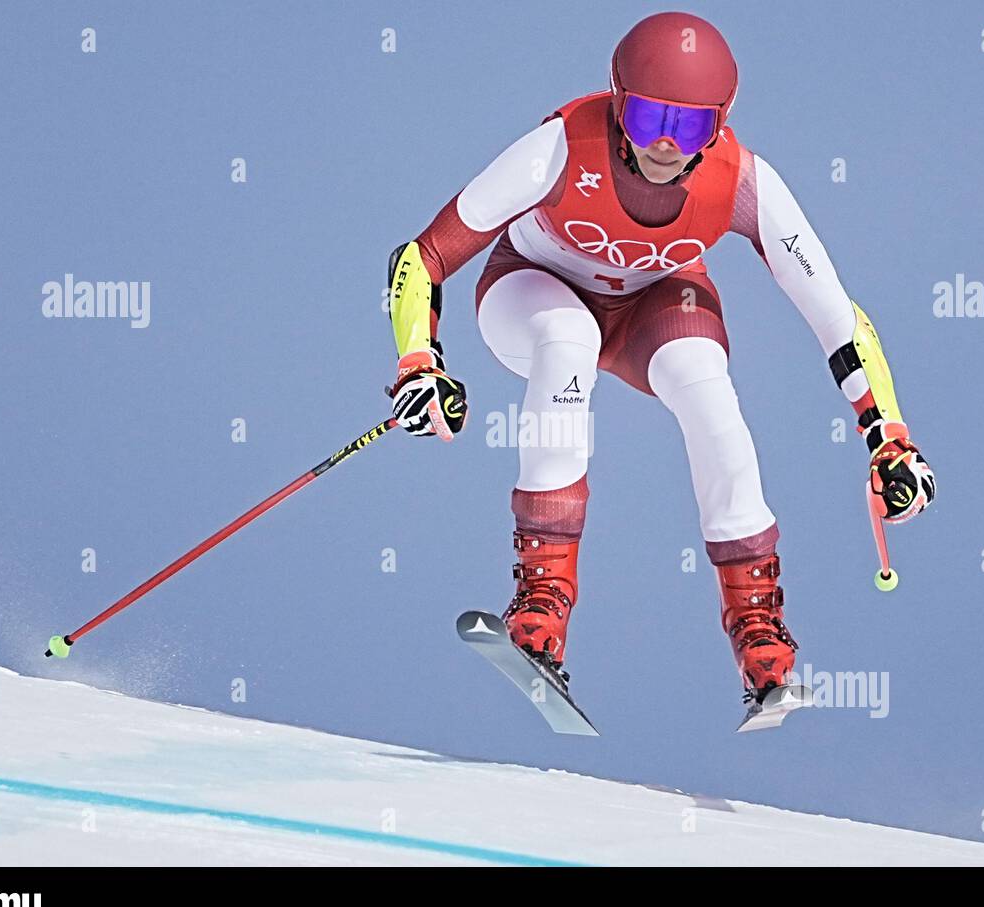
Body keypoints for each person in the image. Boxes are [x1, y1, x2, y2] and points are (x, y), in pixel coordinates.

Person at [385, 11, 935, 708]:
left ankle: (758, 625)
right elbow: (424, 255)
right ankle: (544, 600)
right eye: (647, 121)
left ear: (720, 126)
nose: (668, 147)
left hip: (655, 300)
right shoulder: (558, 148)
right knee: (569, 340)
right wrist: (417, 359)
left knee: (707, 390)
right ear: (617, 105)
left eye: (693, 127)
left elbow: (836, 313)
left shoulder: (742, 182)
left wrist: (886, 433)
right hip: (533, 286)